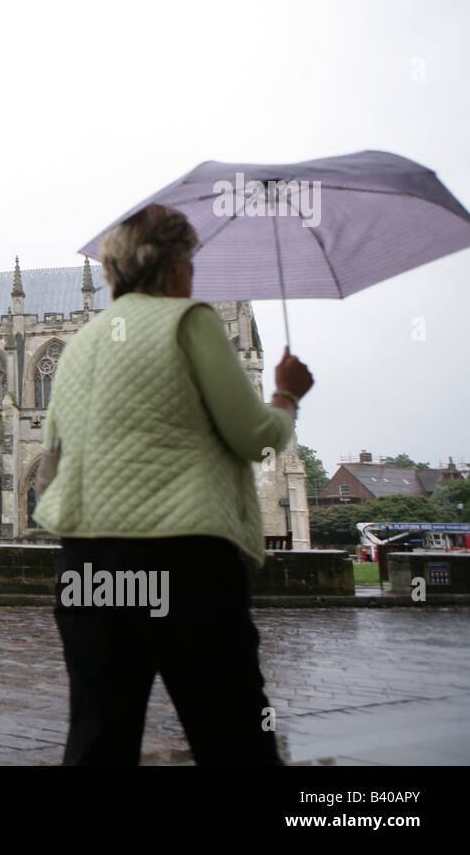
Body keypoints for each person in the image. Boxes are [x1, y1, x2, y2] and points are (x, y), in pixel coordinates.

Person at [34, 203, 314, 766]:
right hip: (185, 563)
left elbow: (51, 464)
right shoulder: (189, 321)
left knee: (96, 741)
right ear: (173, 266)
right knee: (234, 737)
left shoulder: (82, 342)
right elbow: (255, 438)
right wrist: (285, 396)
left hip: (89, 568)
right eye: (190, 259)